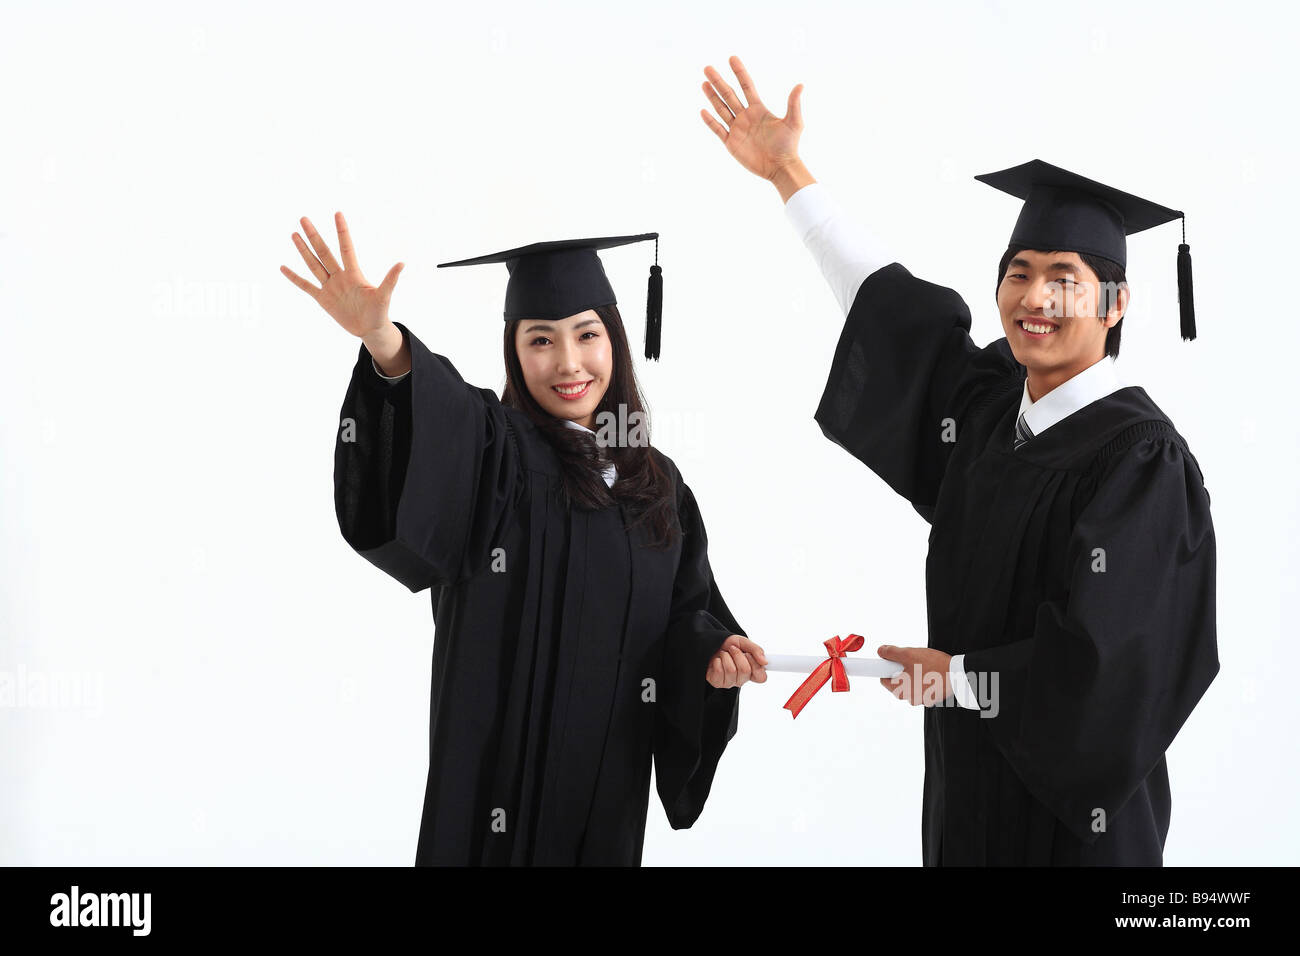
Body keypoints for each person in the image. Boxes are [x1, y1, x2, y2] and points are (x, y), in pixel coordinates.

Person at [699, 55, 1218, 866]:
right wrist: (786, 173)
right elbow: (888, 305)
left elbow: (1117, 665)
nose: (1034, 298)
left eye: (1064, 279)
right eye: (1018, 273)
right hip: (965, 795)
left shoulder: (1143, 462)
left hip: (1079, 828)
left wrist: (965, 679)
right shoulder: (985, 412)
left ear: (1115, 304)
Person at [280, 214, 767, 865]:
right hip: (490, 803)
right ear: (514, 351)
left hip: (604, 807)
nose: (568, 362)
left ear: (615, 341)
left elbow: (685, 616)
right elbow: (442, 415)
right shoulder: (500, 457)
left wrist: (713, 657)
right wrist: (384, 342)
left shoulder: (659, 488)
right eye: (541, 340)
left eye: (586, 335)